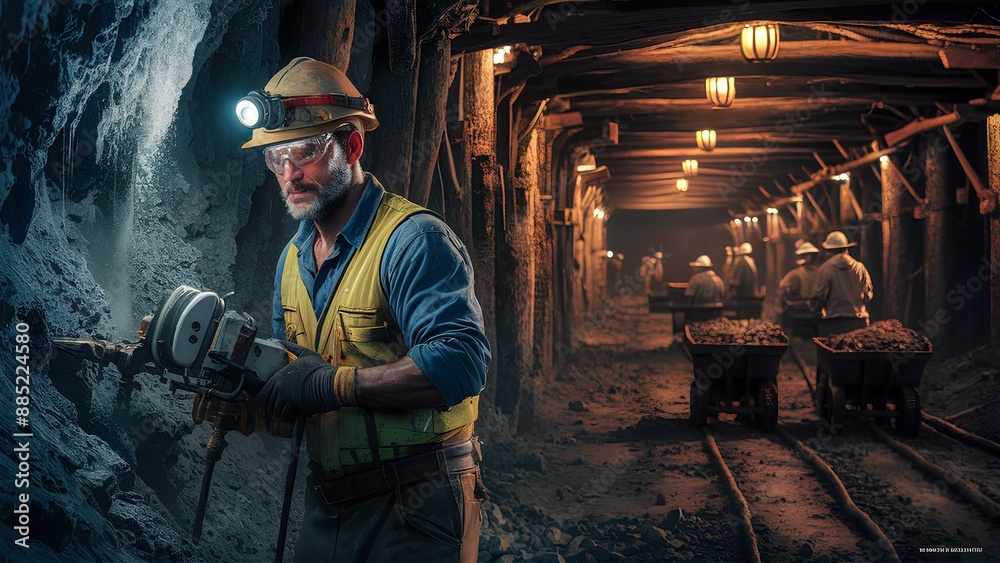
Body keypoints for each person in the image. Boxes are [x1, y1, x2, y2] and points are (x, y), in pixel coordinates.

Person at [238, 57, 490, 562]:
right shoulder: (291, 261)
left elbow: (461, 362)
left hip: (417, 504)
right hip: (327, 505)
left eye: (305, 151)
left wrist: (334, 385)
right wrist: (247, 404)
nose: (289, 173)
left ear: (351, 146)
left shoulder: (413, 240)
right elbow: (297, 387)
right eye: (275, 156)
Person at [810, 230, 873, 328]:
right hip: (858, 321)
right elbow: (867, 296)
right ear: (846, 248)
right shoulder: (860, 267)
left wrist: (817, 311)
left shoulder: (825, 268)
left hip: (833, 322)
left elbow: (817, 297)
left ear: (829, 251)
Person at [778, 242, 820, 308]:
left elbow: (782, 286)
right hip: (813, 306)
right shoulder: (820, 272)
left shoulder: (795, 273)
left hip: (800, 306)